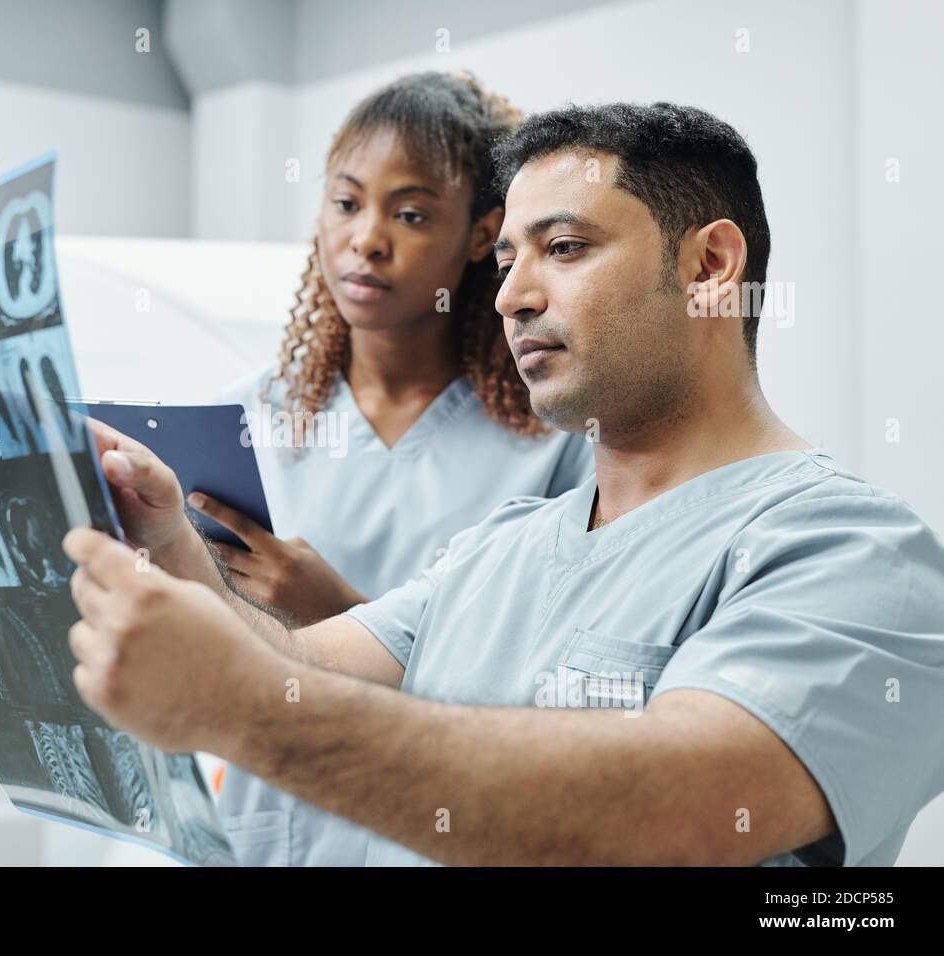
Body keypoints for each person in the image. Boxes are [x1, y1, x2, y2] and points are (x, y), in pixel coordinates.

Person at [62, 102, 944, 866]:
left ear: (710, 267)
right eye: (507, 261)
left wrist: (242, 714)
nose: (511, 297)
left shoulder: (855, 556)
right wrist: (165, 536)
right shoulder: (500, 547)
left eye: (564, 247)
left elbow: (677, 812)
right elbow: (292, 666)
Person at [201, 72, 591, 866]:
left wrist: (338, 612)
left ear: (483, 235)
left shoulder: (557, 444)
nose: (367, 239)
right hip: (264, 834)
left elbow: (555, 697)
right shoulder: (245, 422)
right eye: (346, 204)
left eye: (410, 214)